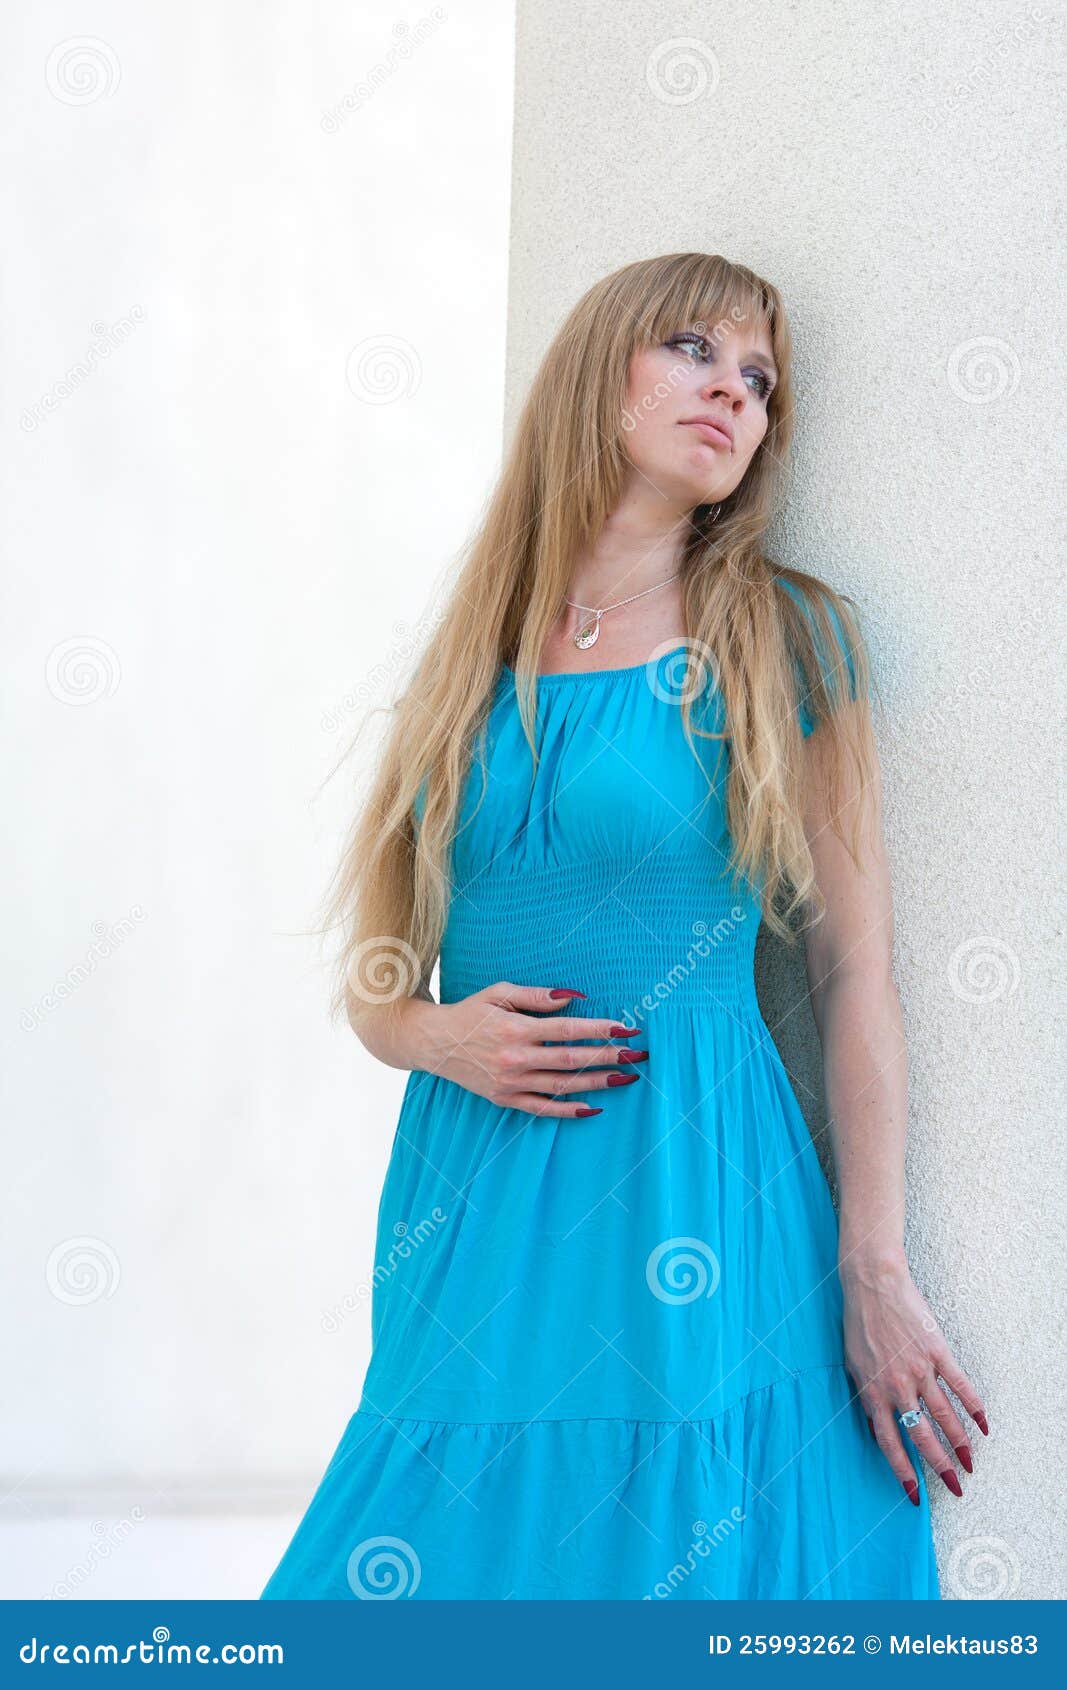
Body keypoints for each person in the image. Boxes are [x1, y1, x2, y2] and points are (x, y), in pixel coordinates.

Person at [261, 252, 987, 1601]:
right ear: (605, 374)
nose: (733, 394)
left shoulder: (787, 636)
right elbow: (373, 976)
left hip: (693, 1170)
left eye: (760, 381)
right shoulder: (468, 653)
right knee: (419, 1574)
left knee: (678, 1568)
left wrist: (874, 1265)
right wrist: (433, 1034)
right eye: (695, 353)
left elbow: (852, 969)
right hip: (473, 1190)